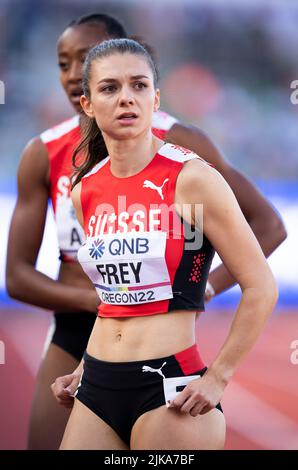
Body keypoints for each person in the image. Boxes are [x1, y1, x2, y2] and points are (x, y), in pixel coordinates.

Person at [6, 13, 285, 449]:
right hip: (95, 382)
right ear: (88, 103)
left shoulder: (193, 176)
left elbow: (261, 287)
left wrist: (218, 377)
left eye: (138, 86)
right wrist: (81, 371)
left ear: (156, 98)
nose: (126, 99)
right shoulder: (85, 190)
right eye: (109, 88)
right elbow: (111, 301)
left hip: (168, 385)